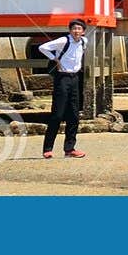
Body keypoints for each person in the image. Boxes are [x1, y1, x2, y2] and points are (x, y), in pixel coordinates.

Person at [38, 18, 89, 158]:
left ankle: (70, 149)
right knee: (57, 114)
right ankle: (47, 149)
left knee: (74, 114)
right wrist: (55, 59)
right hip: (62, 78)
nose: (76, 31)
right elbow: (42, 47)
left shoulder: (84, 42)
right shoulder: (63, 40)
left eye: (79, 29)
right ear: (70, 30)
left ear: (83, 31)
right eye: (74, 28)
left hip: (75, 78)